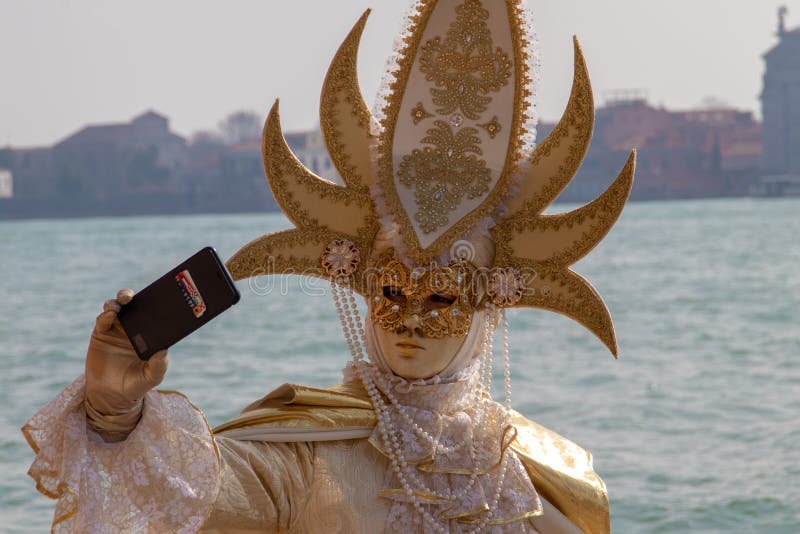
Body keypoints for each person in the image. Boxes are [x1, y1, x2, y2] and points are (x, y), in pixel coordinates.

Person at [23, 1, 635, 532]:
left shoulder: (536, 472)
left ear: (488, 310)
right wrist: (115, 410)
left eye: (444, 298)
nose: (409, 318)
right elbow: (183, 495)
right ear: (362, 287)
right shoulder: (303, 453)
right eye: (391, 289)